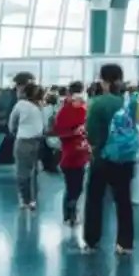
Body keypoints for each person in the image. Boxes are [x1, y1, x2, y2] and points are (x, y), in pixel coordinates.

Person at [83, 63, 134, 255]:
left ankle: (92, 239)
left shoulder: (97, 103)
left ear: (103, 80)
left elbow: (91, 133)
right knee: (124, 200)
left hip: (102, 158)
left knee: (95, 198)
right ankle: (125, 242)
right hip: (125, 157)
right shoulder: (128, 102)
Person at [53, 81, 90, 225]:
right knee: (76, 186)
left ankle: (69, 213)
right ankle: (71, 212)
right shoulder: (80, 110)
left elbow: (60, 130)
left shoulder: (63, 111)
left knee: (71, 186)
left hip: (71, 154)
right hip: (76, 154)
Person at [9, 82, 45, 210]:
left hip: (23, 141)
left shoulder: (20, 105)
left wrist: (16, 132)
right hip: (38, 141)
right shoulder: (40, 107)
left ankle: (25, 200)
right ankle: (33, 199)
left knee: (22, 171)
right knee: (34, 172)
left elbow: (12, 124)